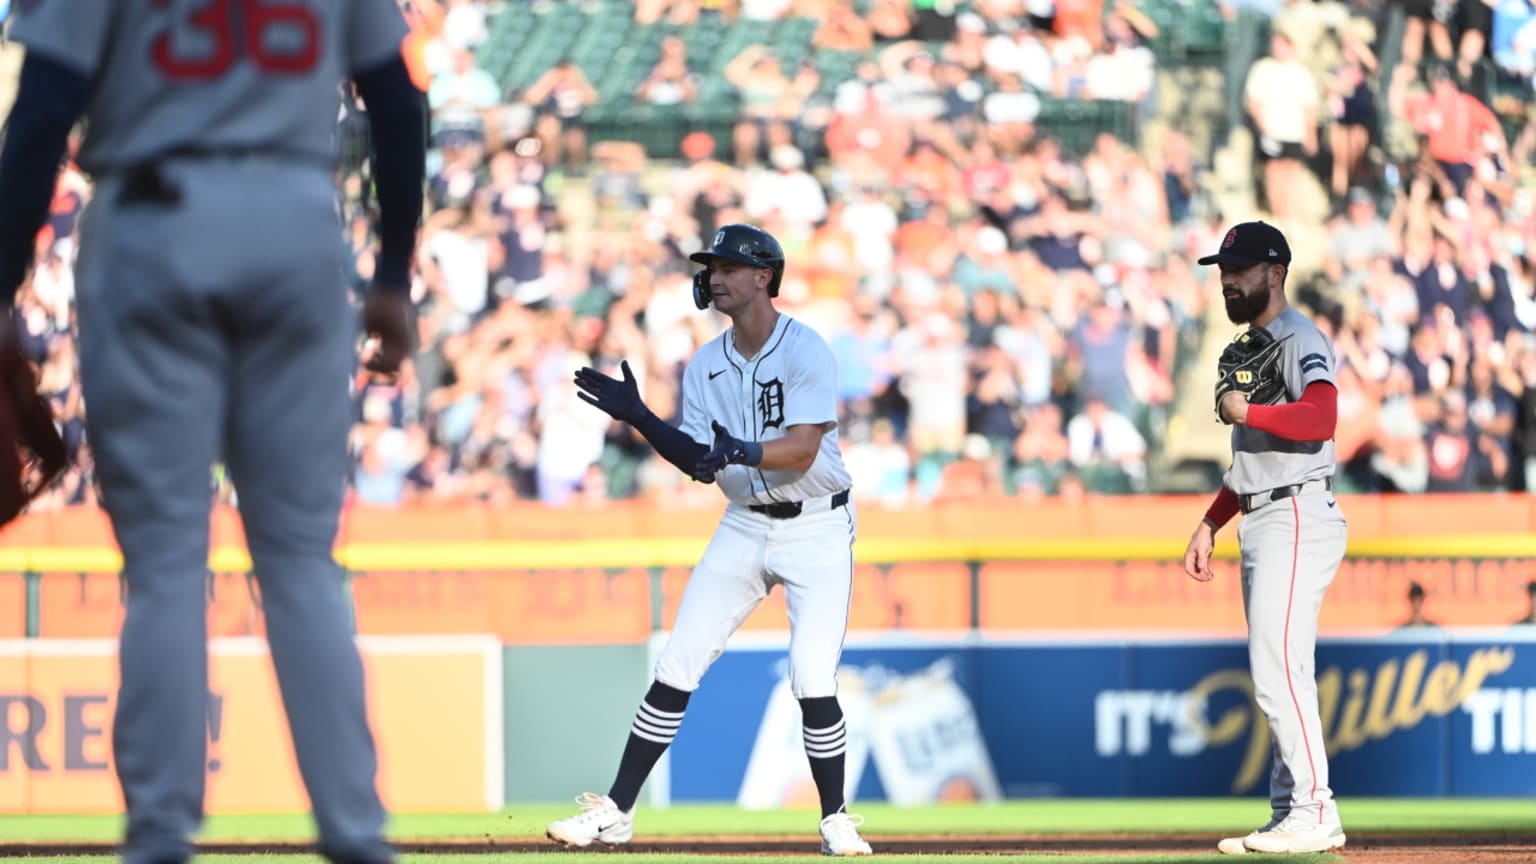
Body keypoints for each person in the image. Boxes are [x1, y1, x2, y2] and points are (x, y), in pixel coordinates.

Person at [0, 3, 426, 863]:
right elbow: (395, 98)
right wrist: (391, 273)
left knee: (164, 560)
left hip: (150, 219)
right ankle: (354, 831)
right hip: (296, 216)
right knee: (300, 557)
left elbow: (42, 110)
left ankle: (161, 833)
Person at [561, 224, 872, 857]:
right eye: (713, 267)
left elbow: (802, 450)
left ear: (763, 277)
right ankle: (617, 812)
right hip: (744, 521)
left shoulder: (806, 348)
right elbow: (700, 463)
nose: (715, 277)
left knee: (812, 677)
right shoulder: (705, 364)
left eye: (728, 267)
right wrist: (642, 418)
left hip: (816, 522)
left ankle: (835, 819)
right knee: (677, 663)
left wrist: (740, 450)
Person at [1181, 221, 1348, 856]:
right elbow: (1252, 464)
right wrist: (1210, 521)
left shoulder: (1298, 336)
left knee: (1277, 668)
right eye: (1223, 269)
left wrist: (1248, 410)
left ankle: (1314, 810)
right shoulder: (1255, 345)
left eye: (1240, 268)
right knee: (1283, 668)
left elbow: (1322, 416)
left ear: (1275, 273)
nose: (1227, 279)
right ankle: (1290, 812)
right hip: (1264, 510)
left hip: (1296, 511)